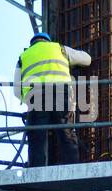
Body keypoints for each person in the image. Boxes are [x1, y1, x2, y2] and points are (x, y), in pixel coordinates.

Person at [13, 32, 91, 167]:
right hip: (61, 93)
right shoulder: (60, 49)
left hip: (35, 96)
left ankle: (36, 171)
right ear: (48, 41)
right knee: (66, 133)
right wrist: (69, 64)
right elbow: (87, 59)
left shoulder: (23, 57)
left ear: (32, 44)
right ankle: (73, 168)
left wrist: (27, 100)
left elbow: (16, 90)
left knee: (37, 136)